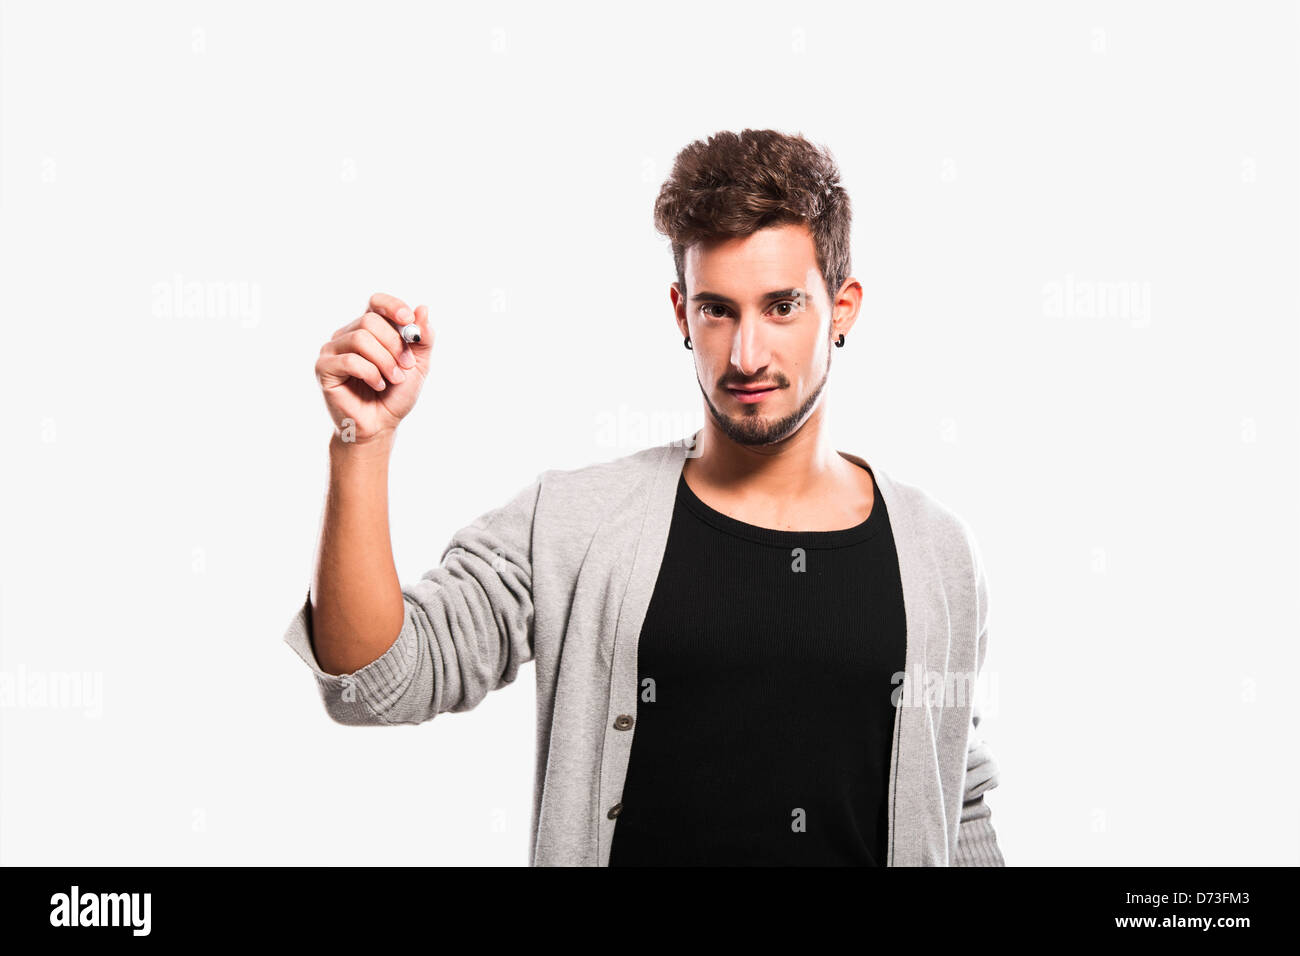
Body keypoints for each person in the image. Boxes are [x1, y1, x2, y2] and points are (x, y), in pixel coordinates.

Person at [284, 128, 1005, 867]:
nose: (746, 354)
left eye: (782, 306)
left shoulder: (937, 553)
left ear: (843, 307)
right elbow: (374, 683)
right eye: (717, 310)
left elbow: (958, 802)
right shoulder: (577, 523)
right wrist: (361, 446)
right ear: (680, 312)